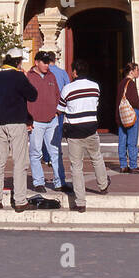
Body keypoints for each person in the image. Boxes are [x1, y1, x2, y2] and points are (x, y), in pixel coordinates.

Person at [0, 49, 39, 211]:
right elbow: (33, 95)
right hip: (16, 123)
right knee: (19, 162)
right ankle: (20, 201)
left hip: (0, 124)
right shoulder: (18, 76)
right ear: (18, 62)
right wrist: (25, 78)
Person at [57, 58, 111, 210]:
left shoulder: (67, 88)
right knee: (97, 157)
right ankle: (103, 185)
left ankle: (80, 202)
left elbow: (60, 108)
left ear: (74, 72)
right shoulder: (95, 87)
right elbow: (96, 103)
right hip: (91, 128)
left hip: (74, 131)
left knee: (76, 166)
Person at [26, 51, 67, 193]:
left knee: (55, 152)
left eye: (48, 62)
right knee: (36, 152)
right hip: (36, 121)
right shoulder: (28, 77)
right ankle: (38, 182)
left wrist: (57, 112)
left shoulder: (51, 76)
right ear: (36, 62)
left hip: (52, 120)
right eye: (44, 62)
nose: (46, 65)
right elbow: (24, 99)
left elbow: (58, 95)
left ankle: (59, 182)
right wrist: (27, 119)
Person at [41, 51, 69, 185]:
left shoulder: (42, 72)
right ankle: (54, 160)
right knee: (56, 136)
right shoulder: (62, 73)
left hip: (44, 108)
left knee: (43, 134)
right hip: (59, 108)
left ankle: (46, 157)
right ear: (56, 59)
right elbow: (67, 88)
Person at [116, 62, 139, 174]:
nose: (138, 72)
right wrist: (138, 108)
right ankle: (133, 165)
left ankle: (123, 165)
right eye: (137, 70)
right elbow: (133, 101)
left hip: (121, 114)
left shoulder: (121, 83)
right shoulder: (131, 83)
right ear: (131, 71)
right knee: (132, 140)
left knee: (122, 140)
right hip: (131, 113)